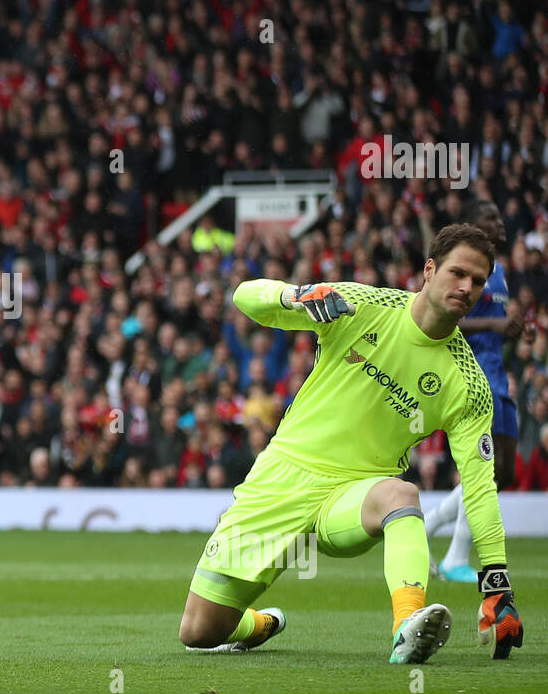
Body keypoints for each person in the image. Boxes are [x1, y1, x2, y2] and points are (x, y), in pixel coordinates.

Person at [179, 223, 525, 664]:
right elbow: (244, 297)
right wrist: (294, 297)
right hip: (281, 477)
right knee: (198, 632)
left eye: (478, 281)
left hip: (354, 495)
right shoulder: (362, 305)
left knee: (402, 494)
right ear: (429, 269)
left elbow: (479, 486)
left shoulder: (469, 385)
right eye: (458, 273)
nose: (467, 287)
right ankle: (263, 623)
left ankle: (407, 627)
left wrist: (496, 580)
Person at [425, 202, 523, 582]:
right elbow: (451, 321)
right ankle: (456, 557)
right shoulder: (467, 275)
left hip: (498, 373)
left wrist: (516, 331)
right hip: (474, 371)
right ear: (473, 228)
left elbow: (494, 325)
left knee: (506, 471)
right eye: (491, 220)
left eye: (499, 218)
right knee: (487, 467)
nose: (500, 223)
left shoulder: (498, 276)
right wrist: (498, 329)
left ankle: (430, 523)